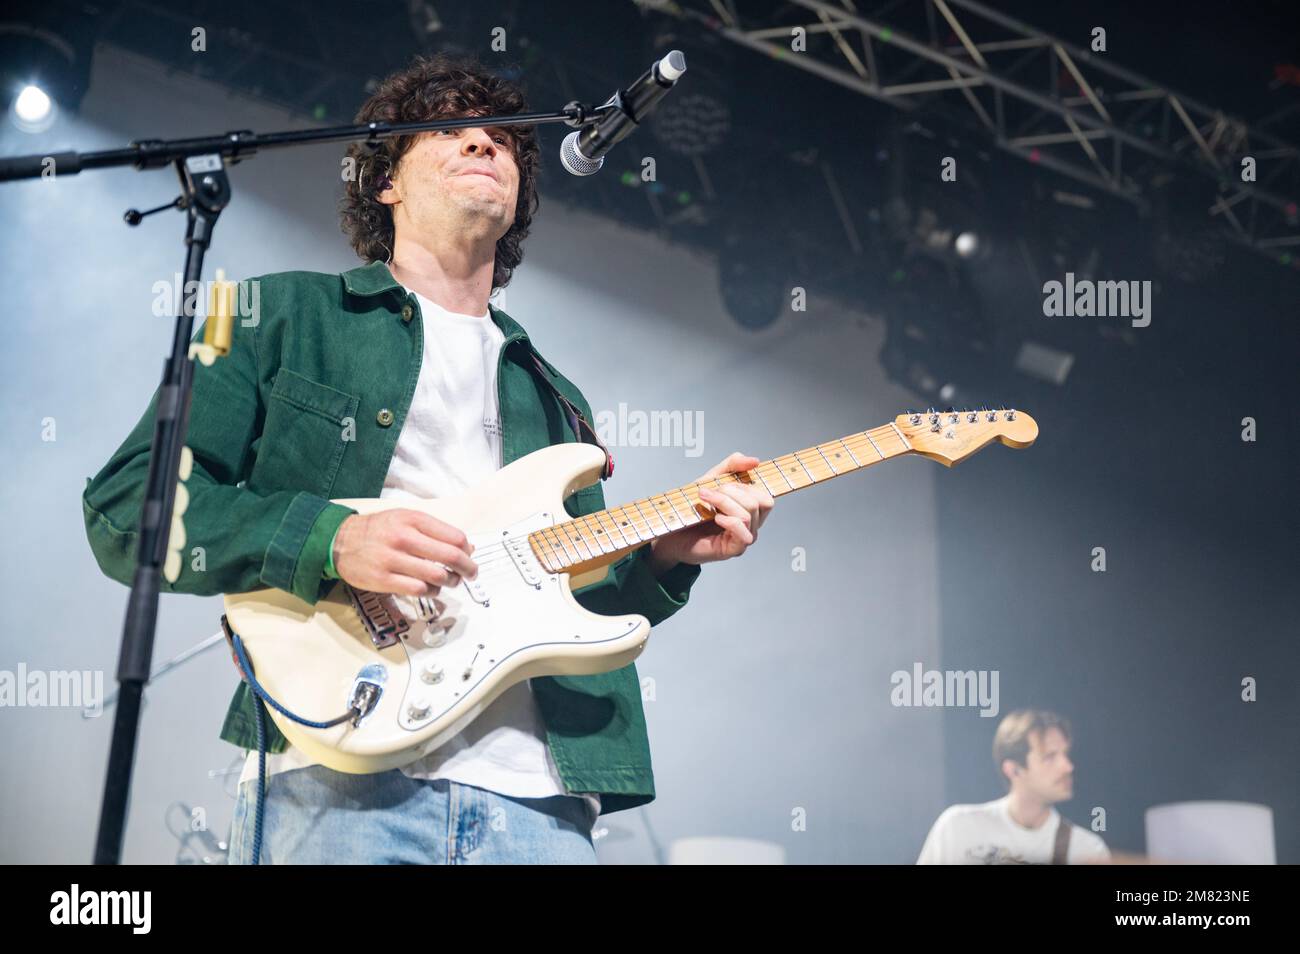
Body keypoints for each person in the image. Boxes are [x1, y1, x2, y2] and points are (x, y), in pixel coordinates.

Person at [82, 53, 774, 864]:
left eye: (503, 140)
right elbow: (130, 505)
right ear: (385, 182)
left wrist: (664, 556)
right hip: (334, 775)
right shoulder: (282, 314)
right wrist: (331, 538)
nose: (485, 144)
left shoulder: (559, 399)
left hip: (541, 806)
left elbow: (582, 605)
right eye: (450, 131)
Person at [916, 709, 1110, 864]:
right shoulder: (958, 827)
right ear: (1014, 770)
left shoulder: (1087, 850)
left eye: (1065, 754)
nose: (1067, 766)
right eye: (1050, 757)